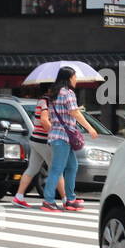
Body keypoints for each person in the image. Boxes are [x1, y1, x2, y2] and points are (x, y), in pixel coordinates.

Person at [42, 66, 96, 213]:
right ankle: (48, 201)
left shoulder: (53, 93)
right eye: (75, 77)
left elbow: (67, 111)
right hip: (62, 138)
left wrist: (76, 110)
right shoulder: (68, 93)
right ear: (68, 78)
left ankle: (70, 199)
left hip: (57, 136)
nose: (76, 79)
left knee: (72, 166)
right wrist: (90, 128)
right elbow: (74, 112)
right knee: (56, 170)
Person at [12, 86, 65, 208]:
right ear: (50, 88)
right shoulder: (45, 101)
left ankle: (19, 197)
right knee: (57, 169)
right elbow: (44, 121)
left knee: (32, 169)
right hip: (43, 140)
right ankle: (65, 199)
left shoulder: (43, 101)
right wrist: (55, 133)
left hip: (36, 140)